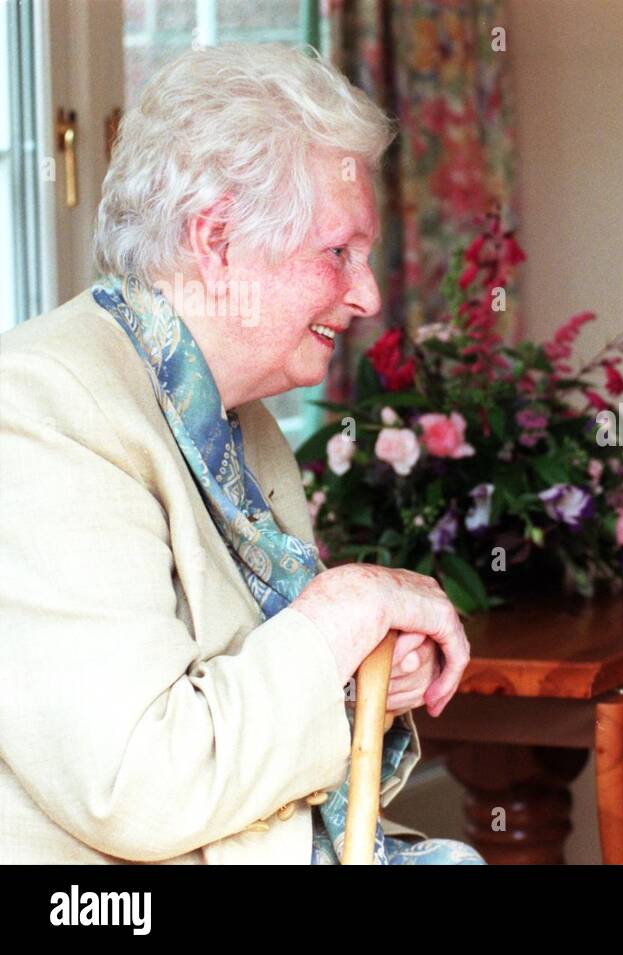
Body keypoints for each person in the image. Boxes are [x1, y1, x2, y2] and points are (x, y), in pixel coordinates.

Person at [0, 44, 484, 864]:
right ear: (217, 240)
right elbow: (138, 785)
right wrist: (341, 614)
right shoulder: (42, 410)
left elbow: (249, 685)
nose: (368, 294)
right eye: (339, 253)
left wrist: (362, 667)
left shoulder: (236, 417)